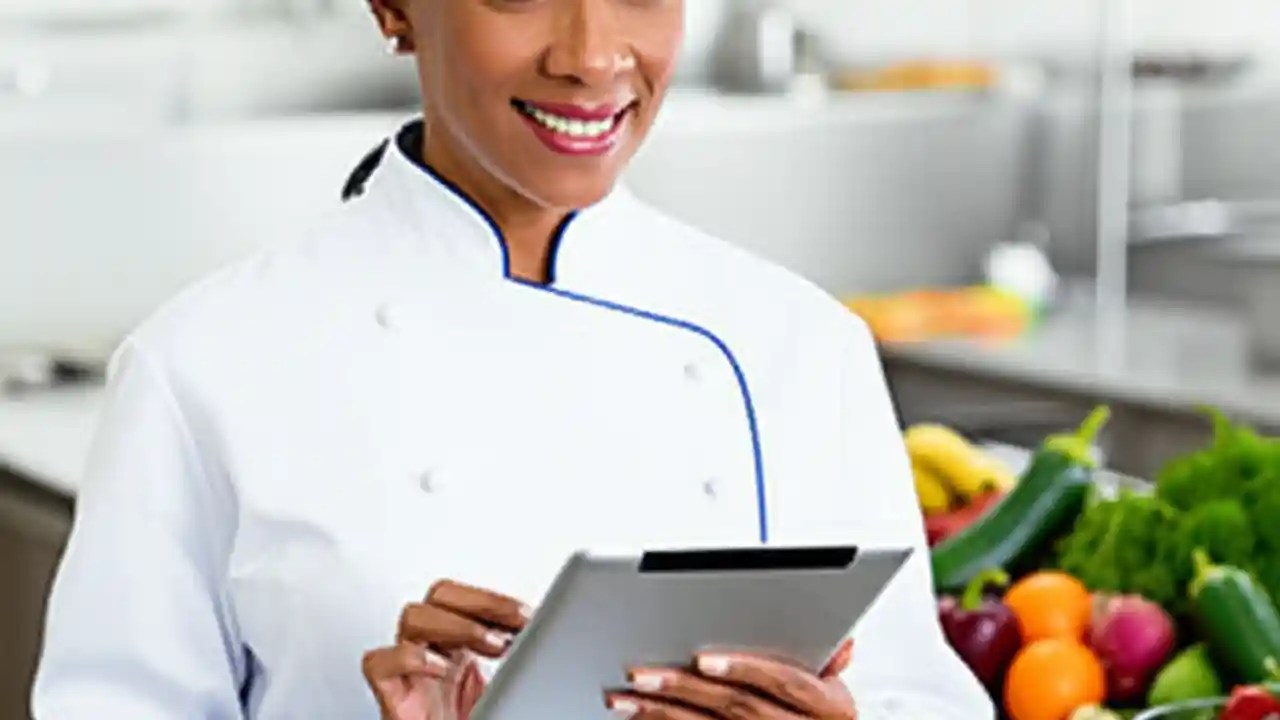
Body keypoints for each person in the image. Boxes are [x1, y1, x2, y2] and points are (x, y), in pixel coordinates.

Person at [31, 0, 993, 718]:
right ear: (396, 8)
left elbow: (918, 696)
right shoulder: (202, 366)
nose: (591, 55)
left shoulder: (799, 346)